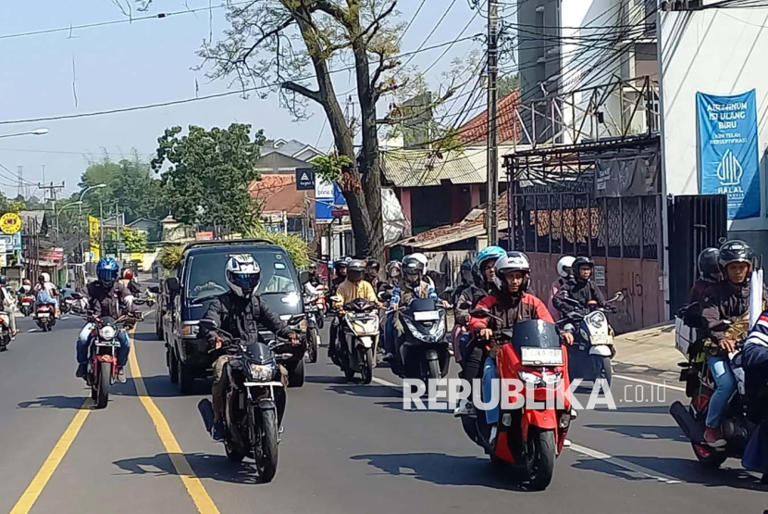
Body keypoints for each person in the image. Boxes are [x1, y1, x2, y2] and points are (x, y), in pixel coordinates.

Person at [460, 252, 574, 417]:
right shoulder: (489, 301)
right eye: (510, 276)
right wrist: (481, 328)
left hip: (530, 354)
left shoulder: (532, 301)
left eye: (518, 276)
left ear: (525, 279)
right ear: (501, 278)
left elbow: (548, 322)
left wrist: (561, 333)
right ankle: (492, 423)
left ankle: (562, 408)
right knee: (489, 374)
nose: (514, 281)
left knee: (557, 370)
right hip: (498, 351)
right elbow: (477, 320)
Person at [198, 255, 296, 441]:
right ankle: (218, 420)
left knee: (281, 373)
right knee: (220, 372)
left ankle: (275, 422)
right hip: (231, 353)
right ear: (231, 278)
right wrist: (215, 336)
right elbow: (210, 322)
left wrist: (290, 334)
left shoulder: (257, 302)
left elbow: (275, 322)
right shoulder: (220, 303)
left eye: (250, 278)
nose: (246, 283)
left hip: (257, 353)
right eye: (242, 278)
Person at [700, 240, 763, 447]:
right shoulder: (713, 293)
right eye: (733, 267)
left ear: (749, 267)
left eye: (741, 267)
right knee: (726, 384)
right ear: (724, 269)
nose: (738, 272)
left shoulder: (760, 291)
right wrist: (723, 338)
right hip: (719, 350)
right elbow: (710, 319)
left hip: (752, 348)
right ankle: (711, 426)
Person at [75, 257, 132, 383]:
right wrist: (81, 304)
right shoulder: (92, 287)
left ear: (115, 274)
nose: (107, 277)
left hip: (116, 323)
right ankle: (83, 364)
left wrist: (131, 306)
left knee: (126, 342)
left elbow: (128, 297)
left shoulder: (119, 287)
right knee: (82, 338)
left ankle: (120, 366)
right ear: (99, 274)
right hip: (95, 322)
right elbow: (83, 297)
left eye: (110, 274)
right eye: (104, 274)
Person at [383, 255, 445, 368]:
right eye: (410, 274)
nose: (412, 277)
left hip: (426, 315)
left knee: (440, 323)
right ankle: (391, 351)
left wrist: (442, 302)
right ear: (405, 274)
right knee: (393, 324)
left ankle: (443, 346)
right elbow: (395, 298)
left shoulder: (426, 286)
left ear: (420, 274)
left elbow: (434, 297)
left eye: (415, 274)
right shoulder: (399, 287)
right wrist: (394, 305)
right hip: (406, 315)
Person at [330, 259, 380, 360]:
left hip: (366, 314)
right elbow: (338, 299)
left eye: (359, 273)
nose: (356, 275)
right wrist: (339, 306)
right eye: (354, 273)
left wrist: (377, 304)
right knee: (335, 324)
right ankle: (334, 350)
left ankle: (378, 348)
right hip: (348, 314)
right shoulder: (343, 286)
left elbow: (372, 299)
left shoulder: (366, 285)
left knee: (379, 326)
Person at [547, 255, 576, 321]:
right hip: (563, 318)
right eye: (569, 270)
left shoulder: (581, 283)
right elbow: (552, 307)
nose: (572, 272)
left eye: (574, 270)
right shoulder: (557, 284)